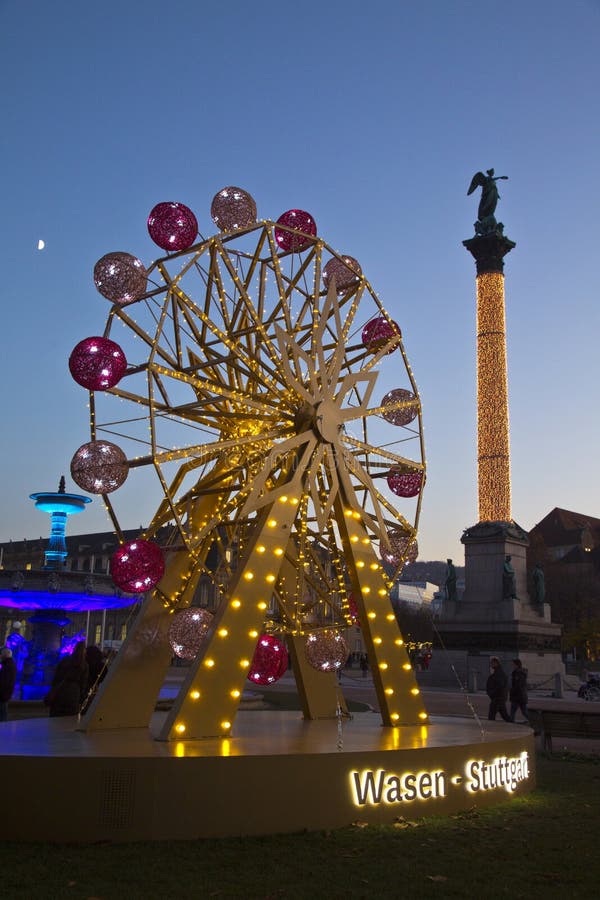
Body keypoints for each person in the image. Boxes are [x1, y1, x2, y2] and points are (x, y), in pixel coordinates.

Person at [46, 641, 89, 718]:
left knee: (57, 716)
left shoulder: (65, 660)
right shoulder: (84, 665)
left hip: (61, 689)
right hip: (74, 693)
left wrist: (54, 688)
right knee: (69, 718)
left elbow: (57, 676)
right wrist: (81, 697)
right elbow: (83, 683)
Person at [486, 656, 510, 721]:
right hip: (499, 698)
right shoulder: (499, 672)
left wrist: (492, 693)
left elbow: (500, 686)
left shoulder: (499, 673)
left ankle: (490, 729)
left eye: (492, 663)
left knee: (491, 716)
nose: (491, 664)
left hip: (497, 698)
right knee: (505, 715)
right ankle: (513, 725)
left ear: (496, 663)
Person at [0, 648, 17, 722]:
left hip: (3, 694)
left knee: (2, 714)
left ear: (4, 655)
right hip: (5, 694)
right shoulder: (9, 664)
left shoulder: (8, 665)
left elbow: (5, 682)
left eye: (1, 655)